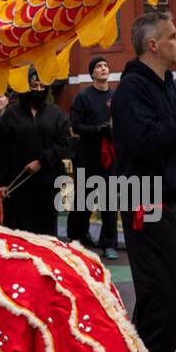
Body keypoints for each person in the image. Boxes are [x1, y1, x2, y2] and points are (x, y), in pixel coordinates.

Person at [112, 11, 176, 352]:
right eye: (171, 37)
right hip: (142, 198)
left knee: (171, 290)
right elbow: (143, 141)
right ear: (152, 45)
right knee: (163, 287)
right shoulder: (132, 89)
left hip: (173, 198)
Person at [0, 67, 72, 236]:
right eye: (33, 86)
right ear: (25, 87)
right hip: (18, 185)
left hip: (48, 182)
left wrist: (41, 161)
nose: (38, 90)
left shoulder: (55, 113)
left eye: (41, 86)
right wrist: (2, 181)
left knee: (47, 232)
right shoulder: (10, 114)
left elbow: (64, 143)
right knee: (21, 232)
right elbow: (1, 150)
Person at [67, 55, 119, 259]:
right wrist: (98, 129)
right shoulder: (83, 97)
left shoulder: (115, 96)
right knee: (83, 200)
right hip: (87, 155)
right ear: (92, 73)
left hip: (110, 156)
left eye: (106, 65)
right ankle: (77, 237)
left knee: (109, 202)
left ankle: (109, 244)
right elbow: (76, 126)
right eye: (99, 66)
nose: (103, 69)